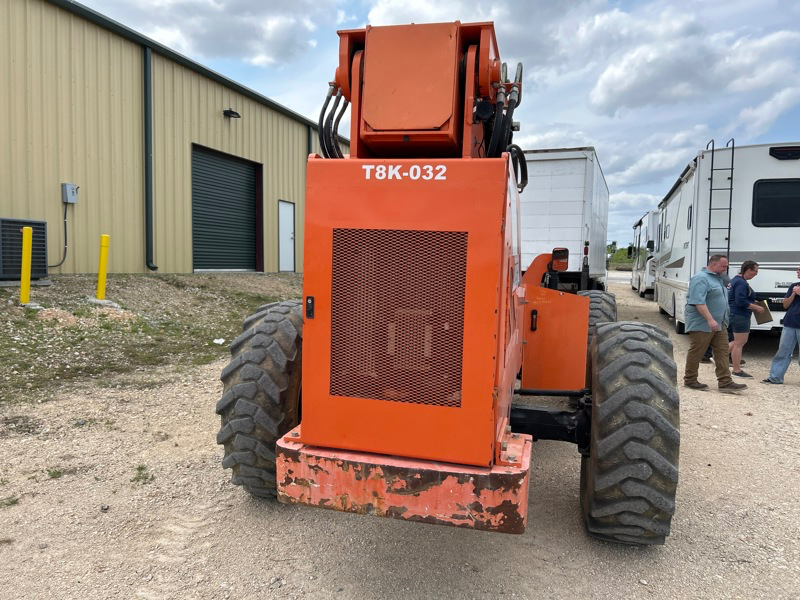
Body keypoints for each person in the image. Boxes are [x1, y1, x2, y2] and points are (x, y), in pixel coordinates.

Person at [684, 255, 747, 393]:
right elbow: (698, 301)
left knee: (722, 352)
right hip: (702, 323)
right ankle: (690, 380)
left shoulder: (718, 278)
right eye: (723, 266)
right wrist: (710, 319)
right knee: (698, 351)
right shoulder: (700, 278)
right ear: (713, 264)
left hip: (719, 323)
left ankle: (725, 382)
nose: (726, 269)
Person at [727, 261, 766, 377]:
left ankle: (718, 356)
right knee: (740, 342)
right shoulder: (741, 283)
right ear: (748, 270)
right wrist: (757, 307)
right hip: (740, 315)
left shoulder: (734, 280)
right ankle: (736, 370)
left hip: (732, 313)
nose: (756, 274)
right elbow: (741, 301)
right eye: (755, 271)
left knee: (737, 341)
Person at [762, 267, 800, 385]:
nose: (797, 271)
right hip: (790, 323)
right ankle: (775, 377)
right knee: (783, 351)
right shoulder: (794, 286)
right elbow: (785, 305)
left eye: (799, 270)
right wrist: (793, 293)